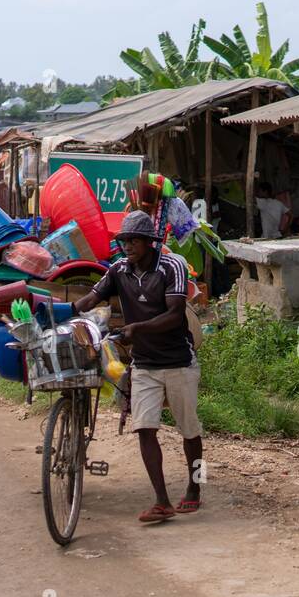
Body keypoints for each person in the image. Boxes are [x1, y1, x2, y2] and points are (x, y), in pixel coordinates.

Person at [72, 211, 202, 523]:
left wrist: (137, 329)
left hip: (179, 362)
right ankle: (161, 501)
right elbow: (91, 297)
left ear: (149, 242)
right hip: (143, 363)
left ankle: (197, 487)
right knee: (144, 428)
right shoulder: (119, 270)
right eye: (124, 241)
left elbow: (174, 314)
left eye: (134, 240)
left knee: (190, 431)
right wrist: (65, 311)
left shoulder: (173, 267)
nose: (127, 246)